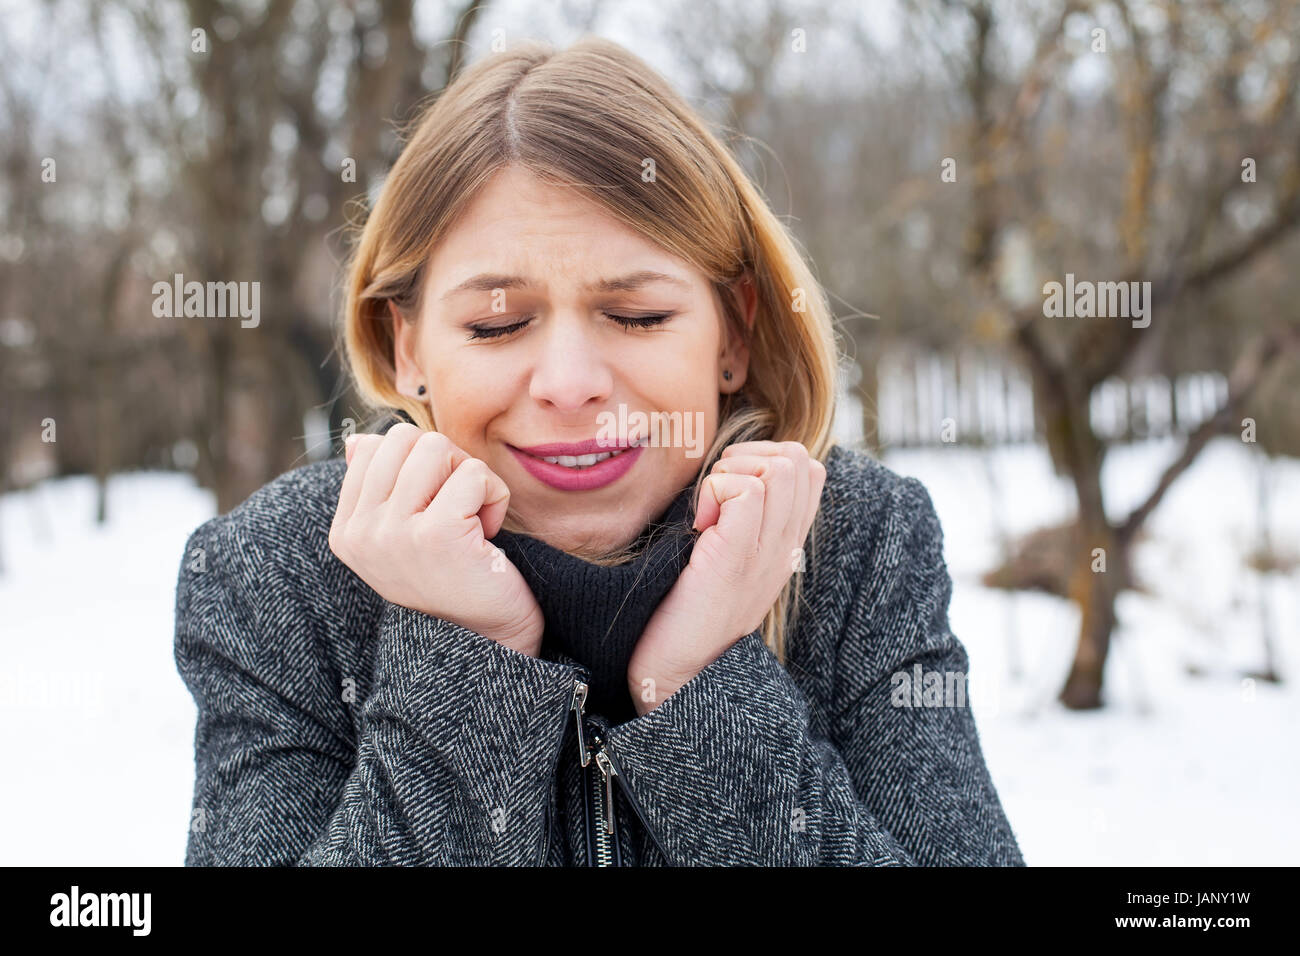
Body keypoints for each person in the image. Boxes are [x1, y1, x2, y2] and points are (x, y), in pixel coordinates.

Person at [173, 36, 1024, 866]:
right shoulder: (275, 575)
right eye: (497, 324)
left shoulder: (858, 543)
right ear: (407, 348)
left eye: (639, 315)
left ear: (735, 329)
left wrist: (697, 691)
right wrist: (471, 664)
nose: (571, 384)